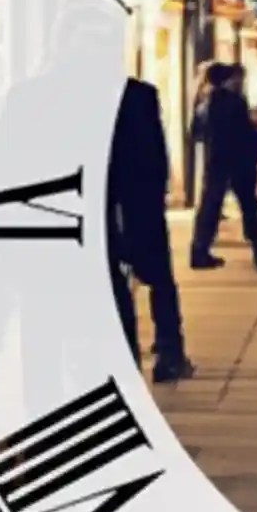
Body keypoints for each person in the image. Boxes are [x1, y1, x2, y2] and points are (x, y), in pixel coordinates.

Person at [108, 78, 197, 383]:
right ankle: (170, 353)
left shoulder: (53, 92)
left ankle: (125, 359)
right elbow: (155, 155)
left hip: (100, 207)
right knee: (159, 279)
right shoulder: (138, 94)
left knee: (112, 283)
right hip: (139, 203)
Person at [190, 63, 257, 270]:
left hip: (216, 160)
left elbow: (197, 131)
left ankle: (199, 250)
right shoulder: (233, 101)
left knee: (210, 206)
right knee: (248, 207)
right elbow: (243, 133)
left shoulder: (206, 101)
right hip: (237, 162)